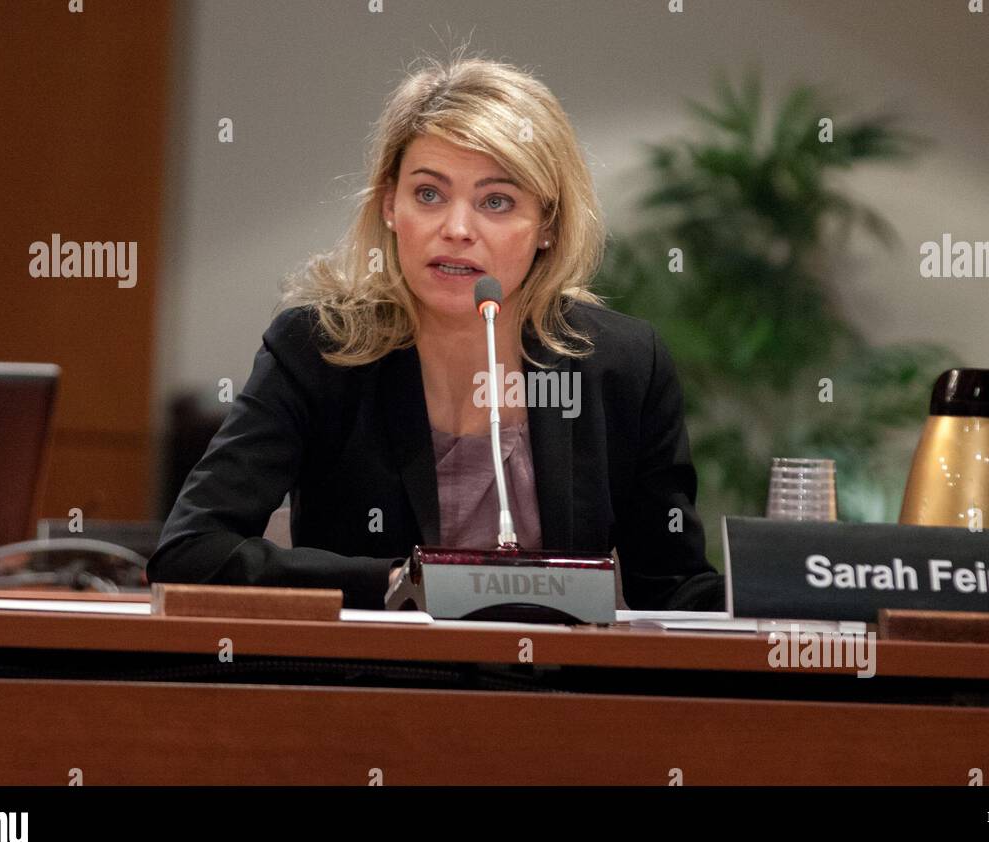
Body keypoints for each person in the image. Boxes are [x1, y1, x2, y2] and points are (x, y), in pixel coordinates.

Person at [147, 55, 725, 612]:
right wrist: (396, 582)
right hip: (380, 690)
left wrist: (794, 580)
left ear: (548, 224)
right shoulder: (322, 348)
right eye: (429, 194)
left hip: (555, 699)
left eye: (496, 201)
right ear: (390, 205)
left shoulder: (621, 365)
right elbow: (191, 552)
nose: (456, 229)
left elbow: (673, 587)